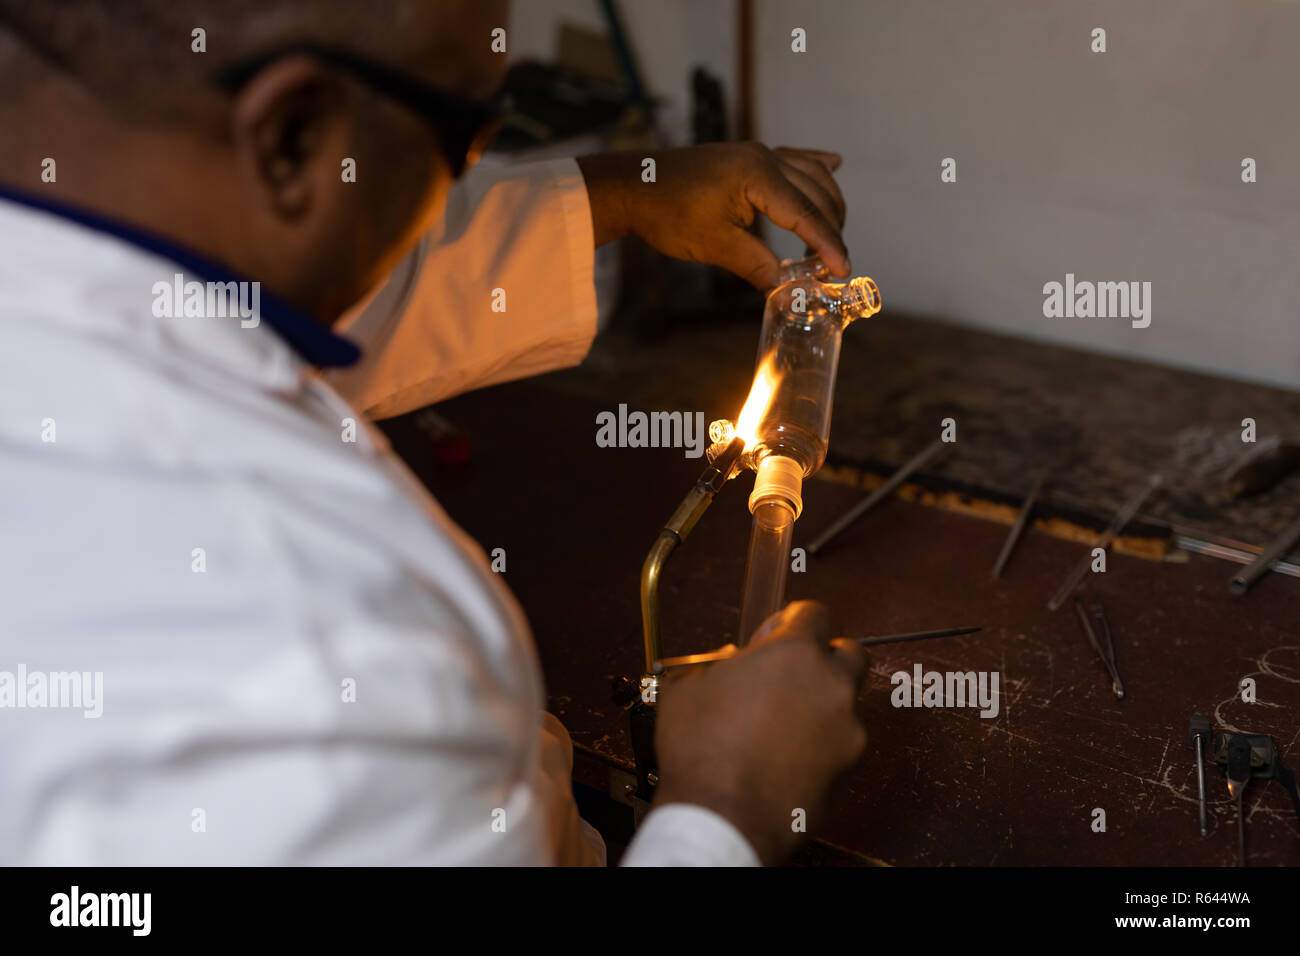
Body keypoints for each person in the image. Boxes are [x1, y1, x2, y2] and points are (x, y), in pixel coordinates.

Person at [0, 0, 868, 865]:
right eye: (465, 135)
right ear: (294, 135)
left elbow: (275, 281)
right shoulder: (318, 657)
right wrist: (727, 806)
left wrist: (623, 193)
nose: (470, 169)